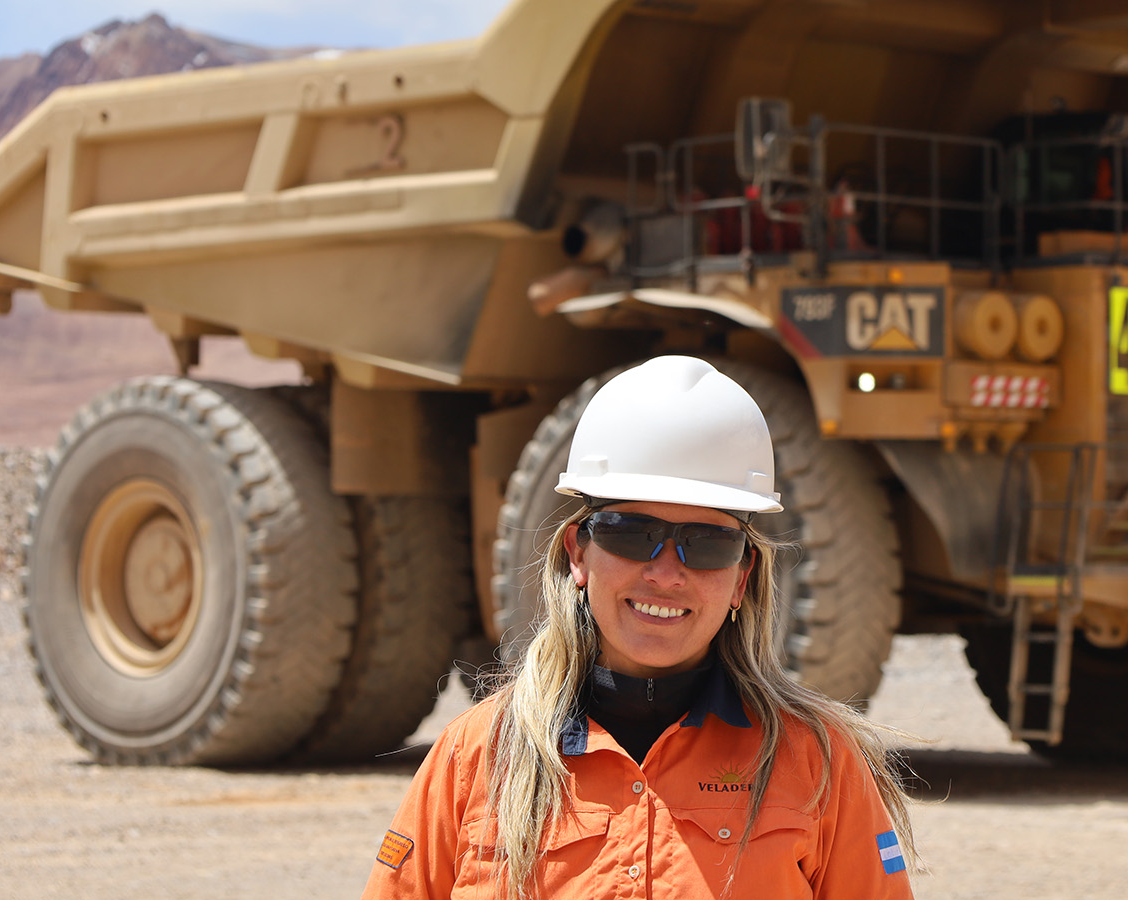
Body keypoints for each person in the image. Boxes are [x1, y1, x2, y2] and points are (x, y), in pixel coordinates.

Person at [362, 356, 916, 900]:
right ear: (578, 553)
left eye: (707, 544)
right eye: (631, 533)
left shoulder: (817, 761)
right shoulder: (478, 756)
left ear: (742, 576)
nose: (667, 574)